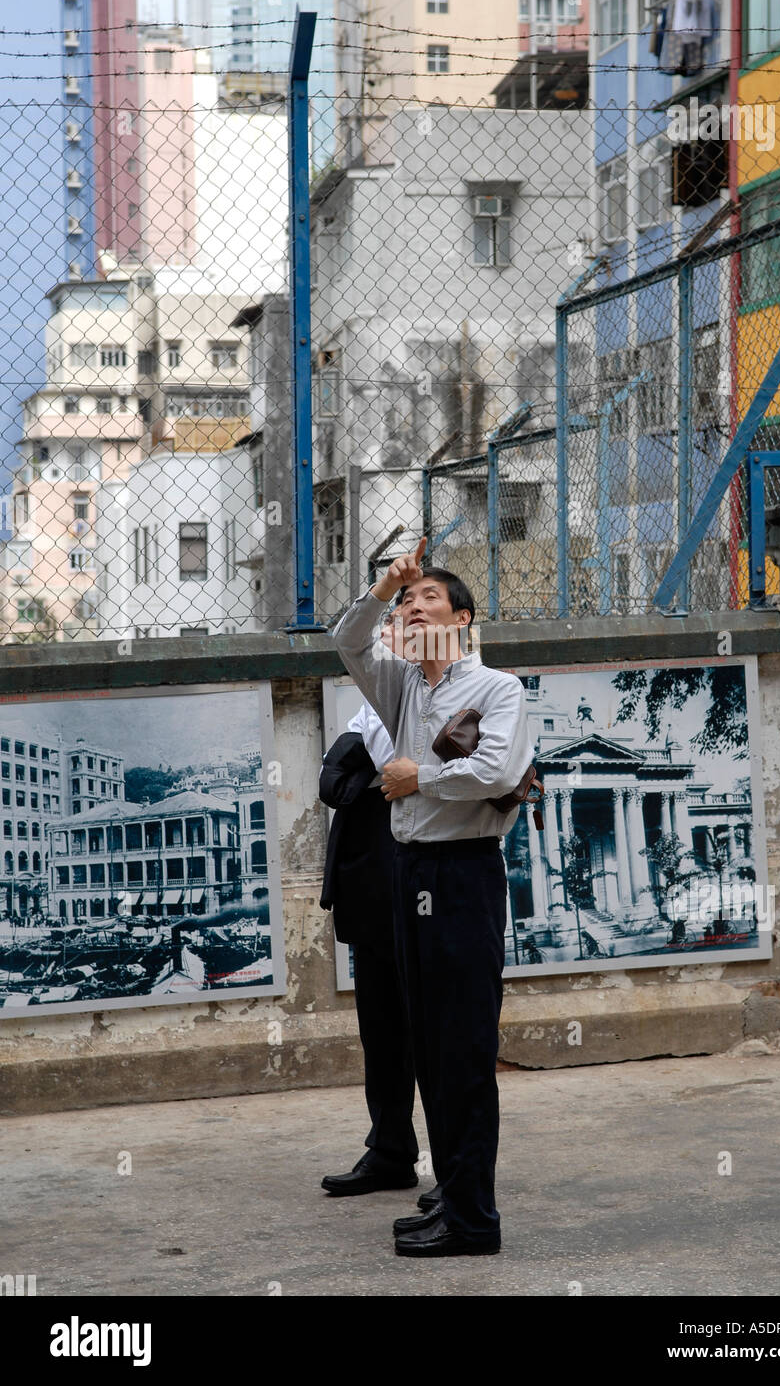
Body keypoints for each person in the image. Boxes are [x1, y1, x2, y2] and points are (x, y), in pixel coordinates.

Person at [331, 537, 534, 1258]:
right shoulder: (406, 688)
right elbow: (347, 640)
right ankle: (452, 1198)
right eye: (407, 603)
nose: (413, 608)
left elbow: (494, 768)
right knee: (428, 1047)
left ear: (463, 620)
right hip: (410, 874)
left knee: (463, 1052)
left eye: (428, 599)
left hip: (462, 877)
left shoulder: (496, 689)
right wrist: (387, 584)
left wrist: (421, 778)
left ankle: (474, 1220)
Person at [318, 608, 441, 1207]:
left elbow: (443, 768)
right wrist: (384, 770)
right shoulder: (372, 706)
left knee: (435, 1027)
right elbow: (334, 779)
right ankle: (390, 1148)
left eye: (404, 624)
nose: (391, 633)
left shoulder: (463, 692)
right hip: (371, 883)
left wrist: (398, 769)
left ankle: (454, 1169)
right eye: (389, 624)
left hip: (425, 879)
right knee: (381, 1027)